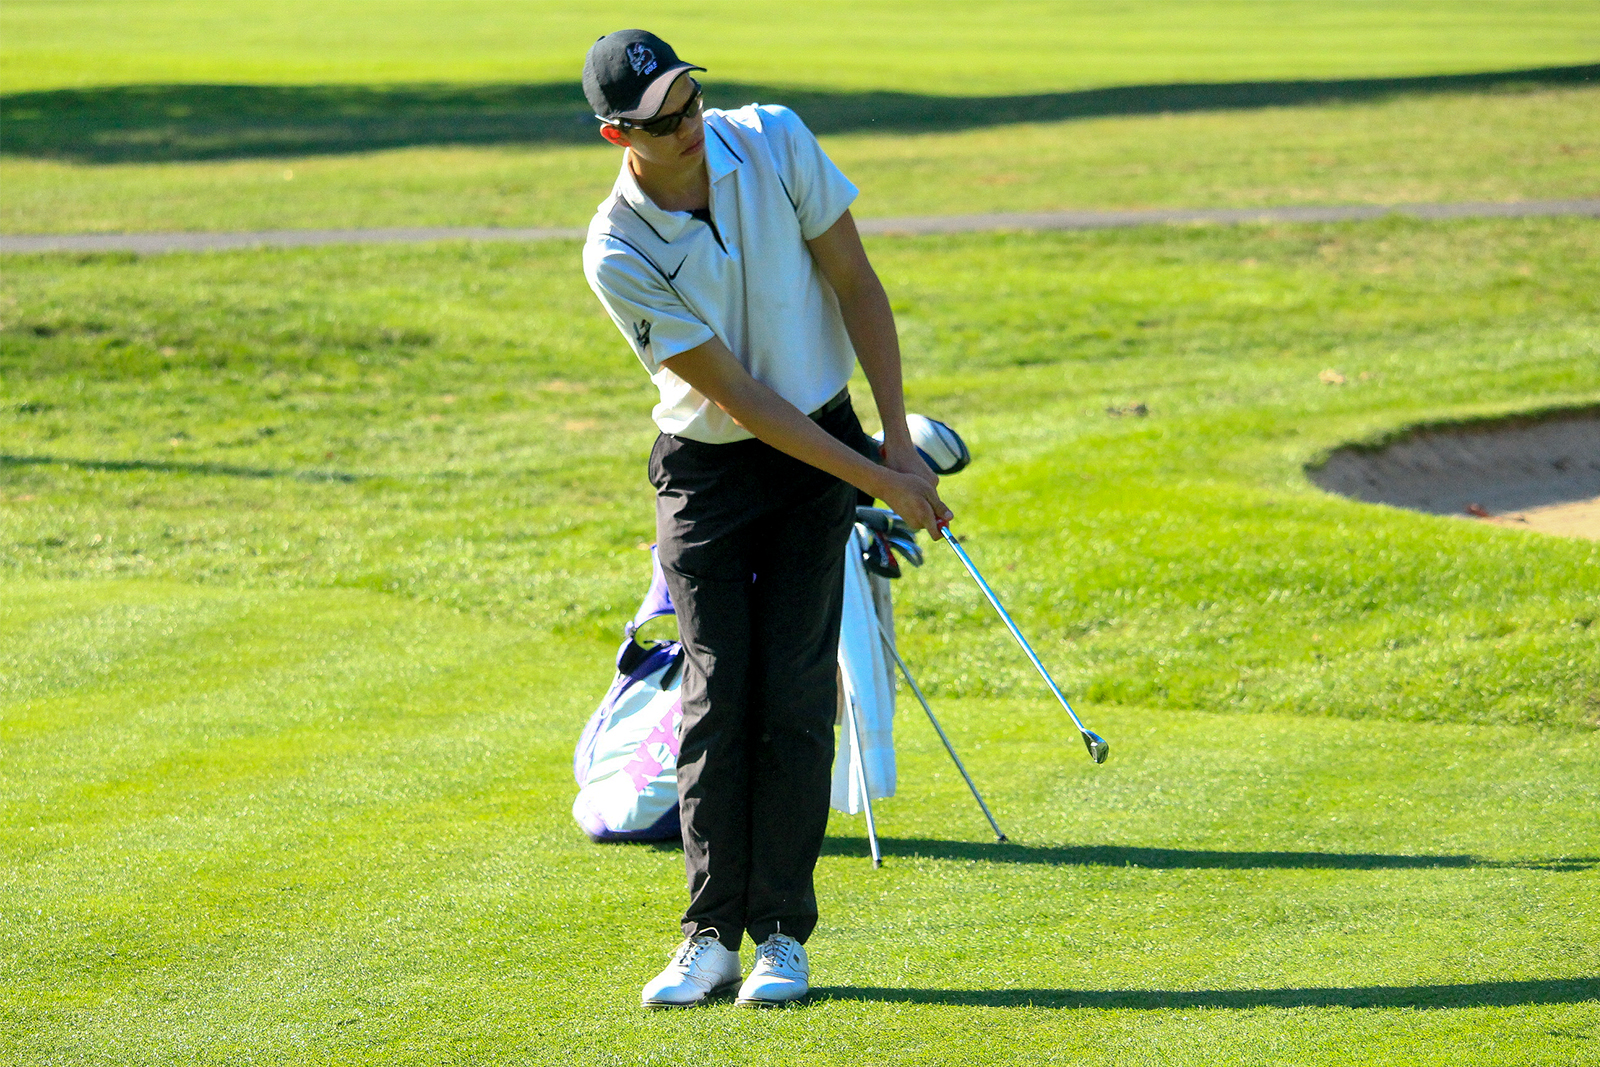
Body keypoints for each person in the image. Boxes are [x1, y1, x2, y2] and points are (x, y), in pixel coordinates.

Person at [580, 29, 951, 1009]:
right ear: (619, 134)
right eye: (662, 121)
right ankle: (708, 935)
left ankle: (781, 933)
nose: (689, 126)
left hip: (820, 438)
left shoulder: (776, 140)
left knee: (792, 690)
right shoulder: (615, 247)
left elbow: (856, 285)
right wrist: (873, 471)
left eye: (691, 101)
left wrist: (896, 449)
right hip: (708, 468)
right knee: (717, 691)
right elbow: (740, 400)